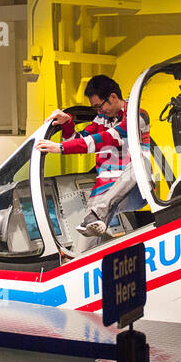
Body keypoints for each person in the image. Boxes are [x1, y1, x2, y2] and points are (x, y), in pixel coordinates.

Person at [35, 75, 150, 254]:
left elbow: (105, 139)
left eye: (99, 106)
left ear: (112, 97)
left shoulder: (137, 116)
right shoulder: (101, 119)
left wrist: (59, 148)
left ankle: (100, 211)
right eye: (95, 108)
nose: (99, 111)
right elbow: (77, 140)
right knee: (85, 245)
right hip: (105, 193)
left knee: (139, 162)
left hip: (135, 189)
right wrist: (68, 123)